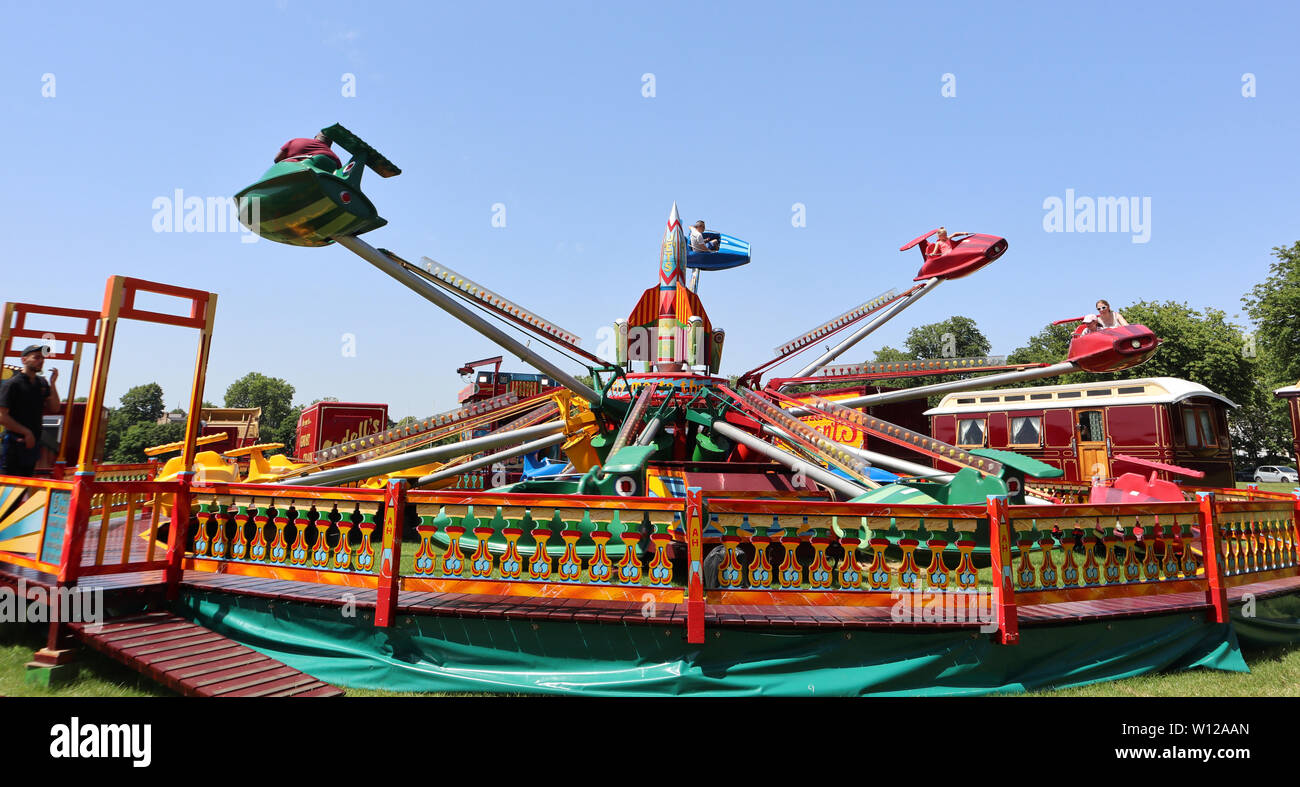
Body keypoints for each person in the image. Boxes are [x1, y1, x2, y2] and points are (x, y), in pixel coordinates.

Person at [0, 345, 61, 477]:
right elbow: (2, 416)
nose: (41, 361)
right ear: (24, 360)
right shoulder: (12, 384)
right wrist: (26, 432)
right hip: (14, 444)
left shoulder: (42, 383)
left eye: (43, 358)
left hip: (32, 445)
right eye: (37, 357)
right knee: (8, 486)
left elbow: (55, 408)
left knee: (25, 484)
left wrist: (53, 384)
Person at [274, 131, 343, 169]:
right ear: (330, 144)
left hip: (288, 173)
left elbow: (277, 159)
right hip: (314, 184)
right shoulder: (335, 159)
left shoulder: (296, 141)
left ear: (315, 137)